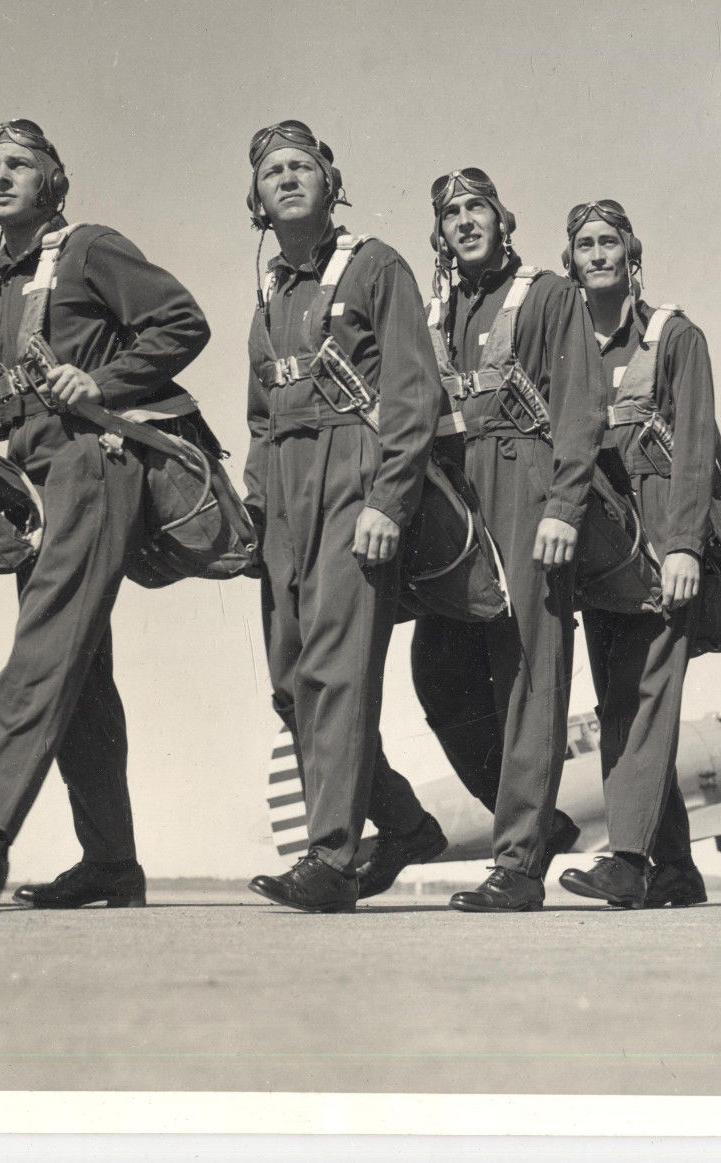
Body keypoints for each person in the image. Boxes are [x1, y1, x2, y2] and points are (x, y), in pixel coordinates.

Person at [0, 120, 210, 906]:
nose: (2, 176)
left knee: (45, 641)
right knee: (81, 672)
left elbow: (182, 320)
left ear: (52, 179)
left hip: (95, 460)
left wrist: (104, 381)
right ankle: (112, 859)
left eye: (18, 164)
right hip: (42, 475)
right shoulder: (4, 284)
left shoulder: (87, 248)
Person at [243, 120, 447, 913]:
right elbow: (260, 414)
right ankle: (400, 824)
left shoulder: (375, 267)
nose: (288, 178)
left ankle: (329, 859)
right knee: (293, 683)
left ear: (331, 182)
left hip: (352, 476)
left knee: (336, 670)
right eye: (272, 172)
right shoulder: (270, 294)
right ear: (256, 198)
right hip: (286, 492)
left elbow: (413, 391)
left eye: (301, 166)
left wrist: (388, 498)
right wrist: (257, 506)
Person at [409, 169, 606, 913]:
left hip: (526, 480)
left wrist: (564, 504)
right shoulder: (435, 307)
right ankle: (535, 821)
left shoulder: (550, 293)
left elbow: (583, 403)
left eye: (476, 208)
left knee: (527, 669)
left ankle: (519, 863)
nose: (464, 221)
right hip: (455, 493)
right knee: (437, 664)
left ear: (503, 218)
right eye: (451, 213)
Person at [555, 200, 714, 909]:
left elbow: (698, 451)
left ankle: (625, 858)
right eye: (584, 244)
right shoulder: (567, 344)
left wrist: (684, 545)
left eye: (608, 243)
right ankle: (675, 867)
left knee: (641, 697)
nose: (596, 255)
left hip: (657, 539)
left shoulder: (673, 336)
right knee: (625, 699)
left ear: (631, 252)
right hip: (597, 547)